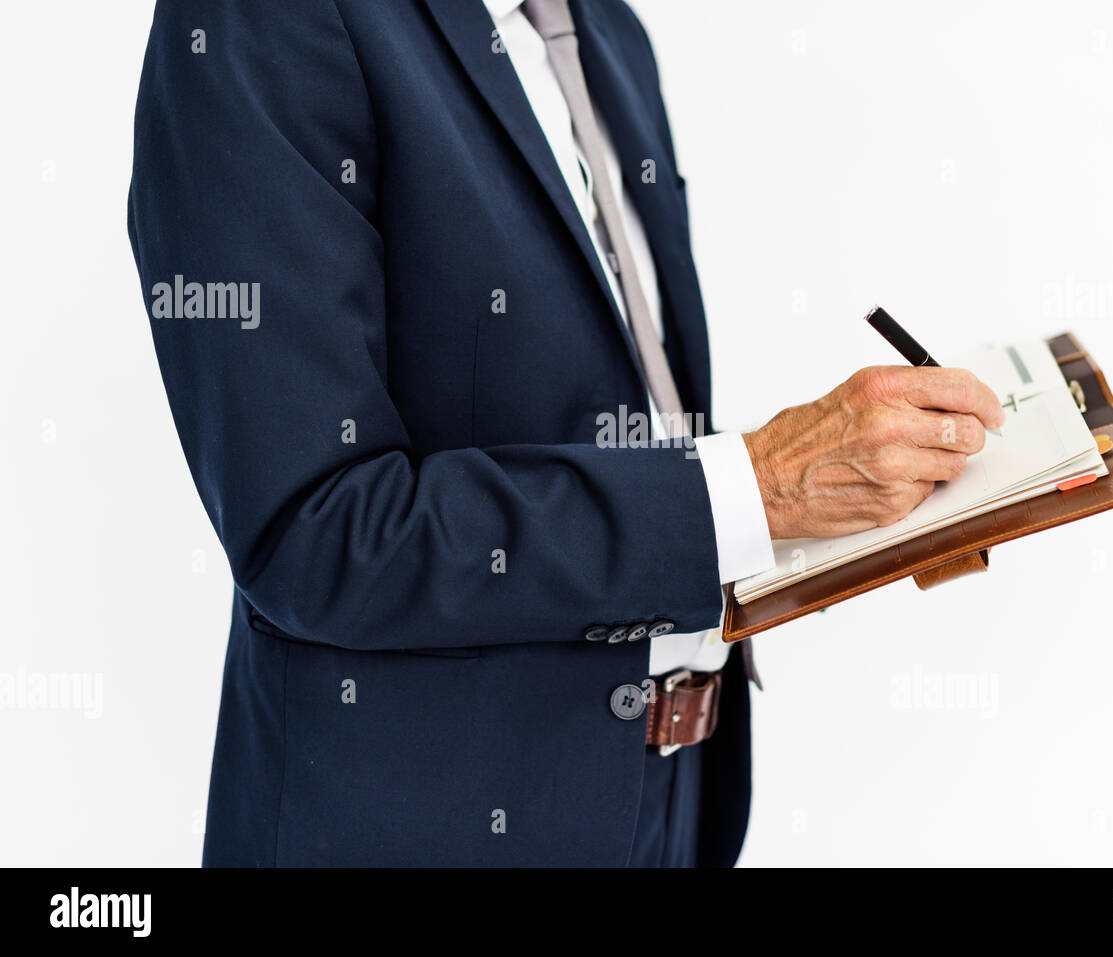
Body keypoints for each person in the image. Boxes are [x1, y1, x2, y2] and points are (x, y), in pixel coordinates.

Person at [127, 0, 1004, 867]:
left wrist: (839, 483)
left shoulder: (607, 31)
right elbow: (316, 532)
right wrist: (759, 485)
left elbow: (608, 424)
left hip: (675, 796)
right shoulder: (259, 20)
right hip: (423, 826)